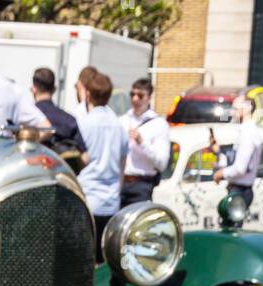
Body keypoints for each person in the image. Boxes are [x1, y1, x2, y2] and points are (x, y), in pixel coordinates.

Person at [77, 71, 126, 260]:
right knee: (104, 258)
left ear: (88, 94)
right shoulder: (118, 125)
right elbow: (122, 164)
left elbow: (79, 159)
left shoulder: (83, 123)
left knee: (84, 259)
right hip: (111, 200)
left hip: (87, 196)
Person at [120, 77, 171, 206]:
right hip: (119, 183)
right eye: (132, 94)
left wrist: (142, 142)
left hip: (141, 185)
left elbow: (162, 163)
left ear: (149, 98)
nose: (135, 99)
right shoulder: (122, 120)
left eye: (140, 95)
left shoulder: (159, 124)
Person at [211, 93, 263, 207]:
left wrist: (220, 174)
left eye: (235, 109)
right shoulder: (245, 131)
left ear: (248, 108)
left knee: (231, 225)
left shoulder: (248, 132)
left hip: (240, 191)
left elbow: (240, 168)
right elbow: (234, 162)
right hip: (238, 190)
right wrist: (218, 151)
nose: (231, 112)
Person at [31, 66, 87, 161]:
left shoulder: (27, 118)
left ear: (33, 89)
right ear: (54, 89)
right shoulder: (70, 120)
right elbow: (84, 154)